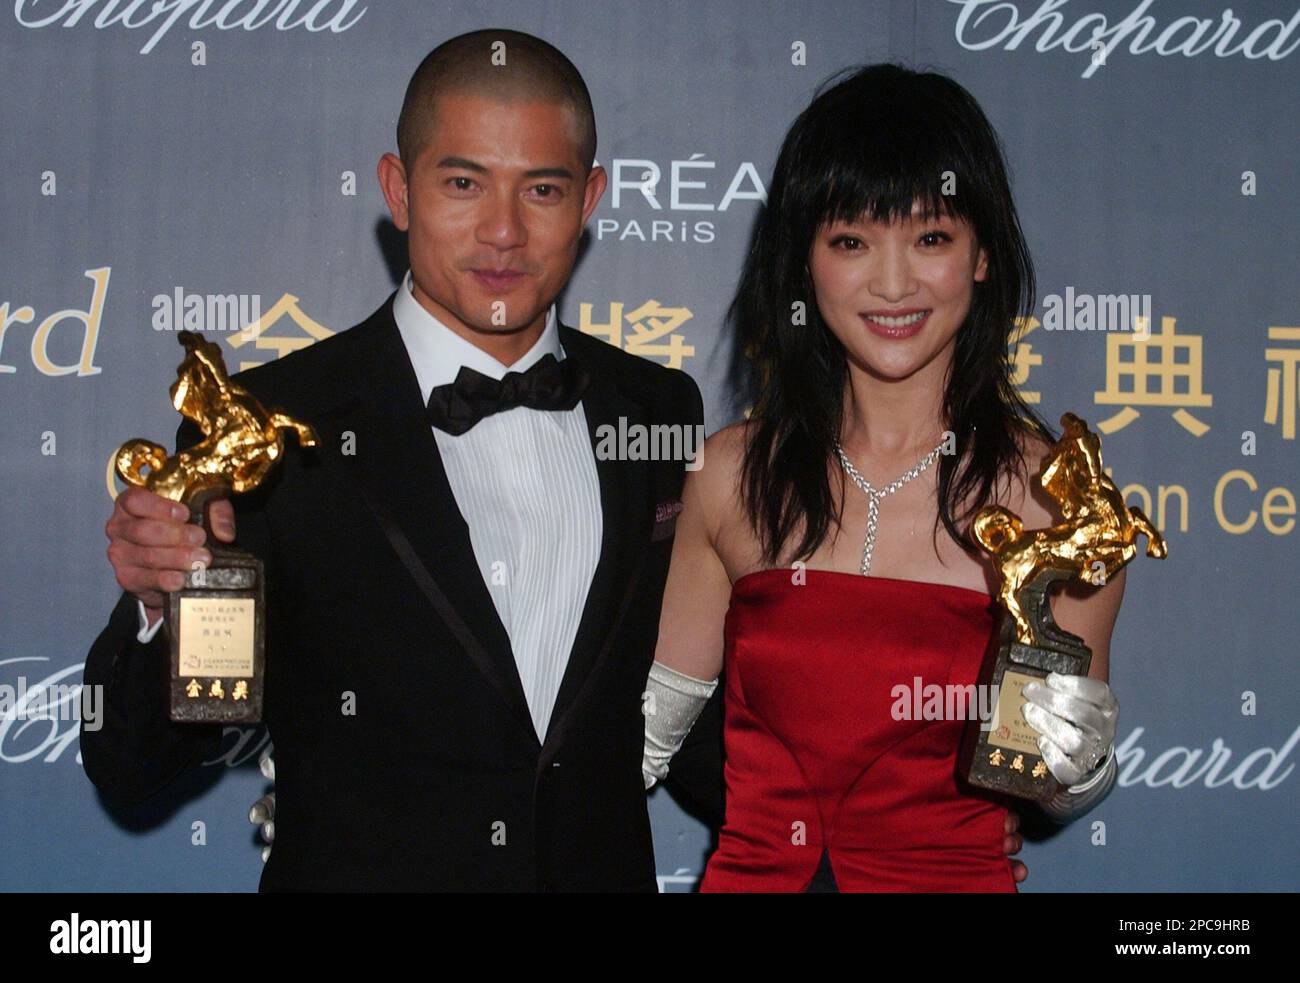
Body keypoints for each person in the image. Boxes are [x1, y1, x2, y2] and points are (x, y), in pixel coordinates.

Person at [82, 28, 721, 892]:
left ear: (592, 198)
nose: (503, 231)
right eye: (463, 183)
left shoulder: (658, 410)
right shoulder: (265, 421)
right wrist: (161, 608)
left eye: (542, 188)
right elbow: (132, 763)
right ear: (399, 189)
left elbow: (686, 710)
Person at [641, 63, 1123, 892]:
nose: (893, 283)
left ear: (981, 256)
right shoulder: (729, 474)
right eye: (851, 241)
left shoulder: (1059, 502)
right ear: (804, 263)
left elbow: (1045, 773)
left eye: (931, 238)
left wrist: (1081, 768)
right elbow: (646, 739)